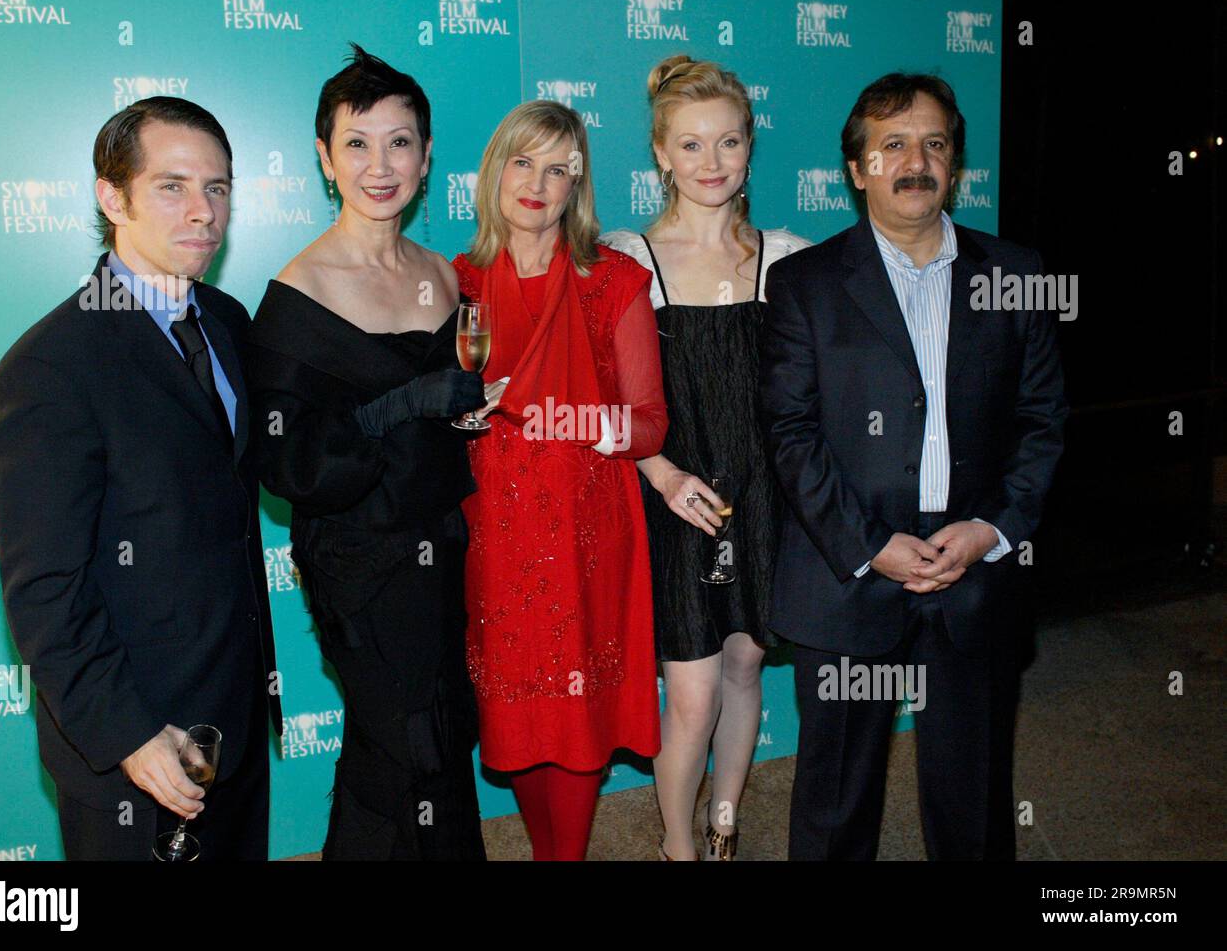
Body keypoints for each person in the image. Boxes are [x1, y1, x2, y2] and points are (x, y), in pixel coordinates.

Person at [759, 73, 1068, 860]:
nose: (915, 161)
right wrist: (872, 546)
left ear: (955, 163)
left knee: (974, 803)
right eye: (892, 144)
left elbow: (1042, 425)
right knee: (834, 806)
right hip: (849, 573)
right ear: (857, 168)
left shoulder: (1016, 272)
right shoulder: (804, 283)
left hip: (974, 573)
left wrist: (991, 530)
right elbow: (790, 433)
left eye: (933, 143)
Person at [0, 97, 282, 861]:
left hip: (232, 724)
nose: (204, 212)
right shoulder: (51, 367)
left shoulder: (226, 319)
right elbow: (46, 589)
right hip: (137, 751)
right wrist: (131, 735)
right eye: (172, 186)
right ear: (111, 197)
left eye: (218, 188)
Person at [246, 45, 487, 861]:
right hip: (360, 558)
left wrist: (455, 417)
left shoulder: (442, 276)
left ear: (425, 156)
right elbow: (287, 463)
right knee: (404, 741)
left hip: (442, 540)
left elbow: (438, 417)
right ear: (324, 157)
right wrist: (401, 403)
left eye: (400, 142)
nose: (379, 165)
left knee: (443, 728)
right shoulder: (295, 294)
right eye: (357, 143)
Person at [603, 56, 811, 861]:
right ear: (659, 153)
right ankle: (678, 844)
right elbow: (608, 405)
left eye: (728, 142)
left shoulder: (788, 258)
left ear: (750, 146)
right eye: (690, 146)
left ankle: (726, 821)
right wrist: (660, 475)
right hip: (673, 499)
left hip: (762, 498)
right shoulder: (627, 262)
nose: (712, 163)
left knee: (746, 666)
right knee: (689, 694)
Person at [453, 100, 668, 860]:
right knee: (521, 713)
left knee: (576, 714)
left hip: (585, 527)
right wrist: (462, 415)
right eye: (523, 161)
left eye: (559, 169)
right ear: (495, 171)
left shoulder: (613, 281)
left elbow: (649, 424)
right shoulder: (459, 282)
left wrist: (571, 421)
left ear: (577, 187)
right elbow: (437, 407)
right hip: (496, 530)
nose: (537, 183)